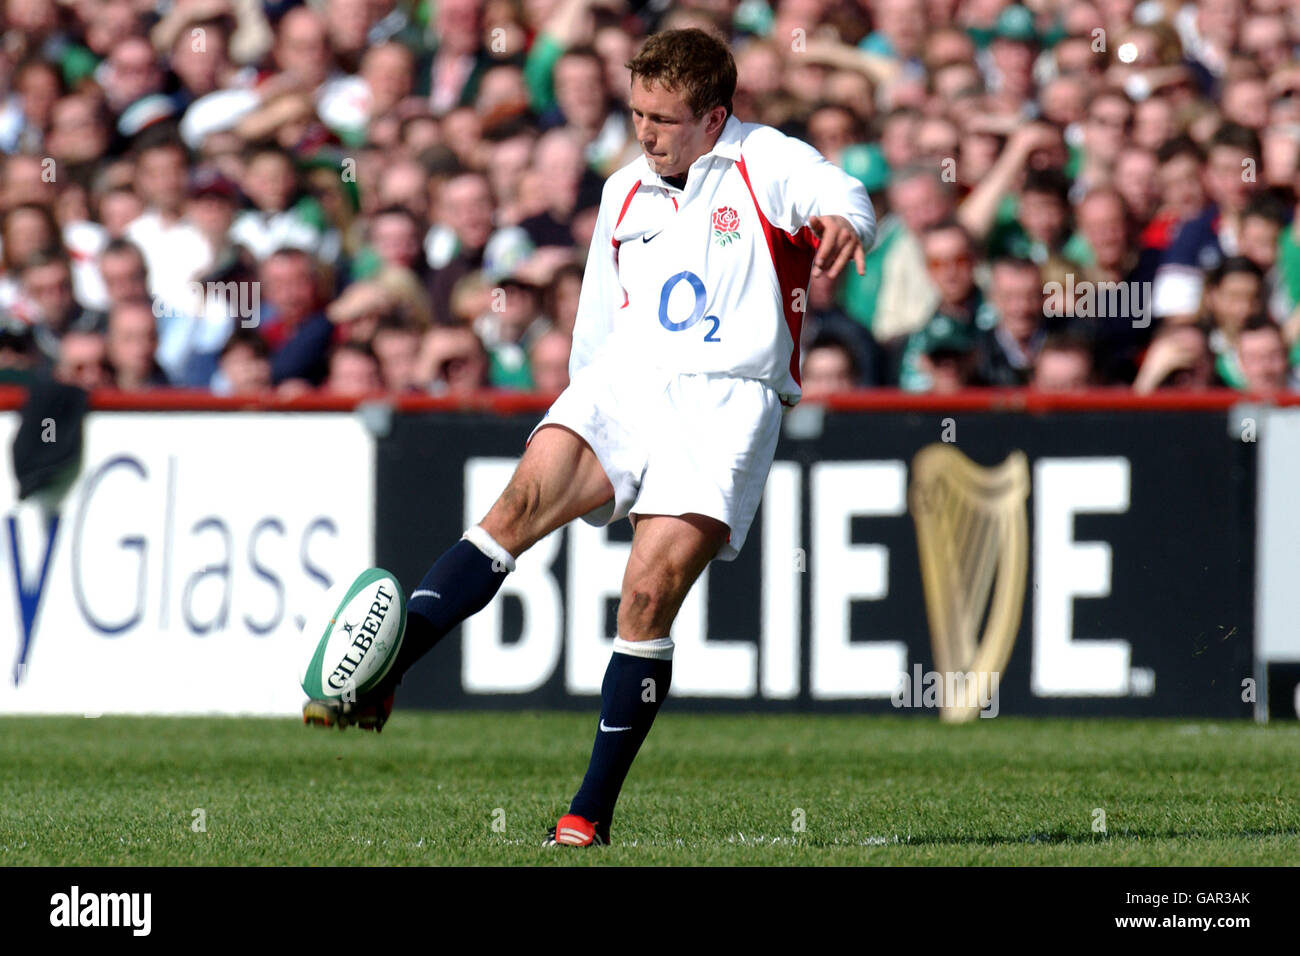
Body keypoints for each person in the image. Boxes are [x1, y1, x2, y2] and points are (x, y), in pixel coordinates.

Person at [302, 28, 875, 848]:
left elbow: (840, 190)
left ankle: (587, 815)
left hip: (726, 404)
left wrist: (841, 220)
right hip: (626, 378)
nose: (645, 132)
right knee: (516, 505)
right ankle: (386, 675)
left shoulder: (764, 159)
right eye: (637, 112)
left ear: (715, 117)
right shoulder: (622, 191)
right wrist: (577, 399)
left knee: (644, 599)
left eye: (665, 119)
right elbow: (599, 318)